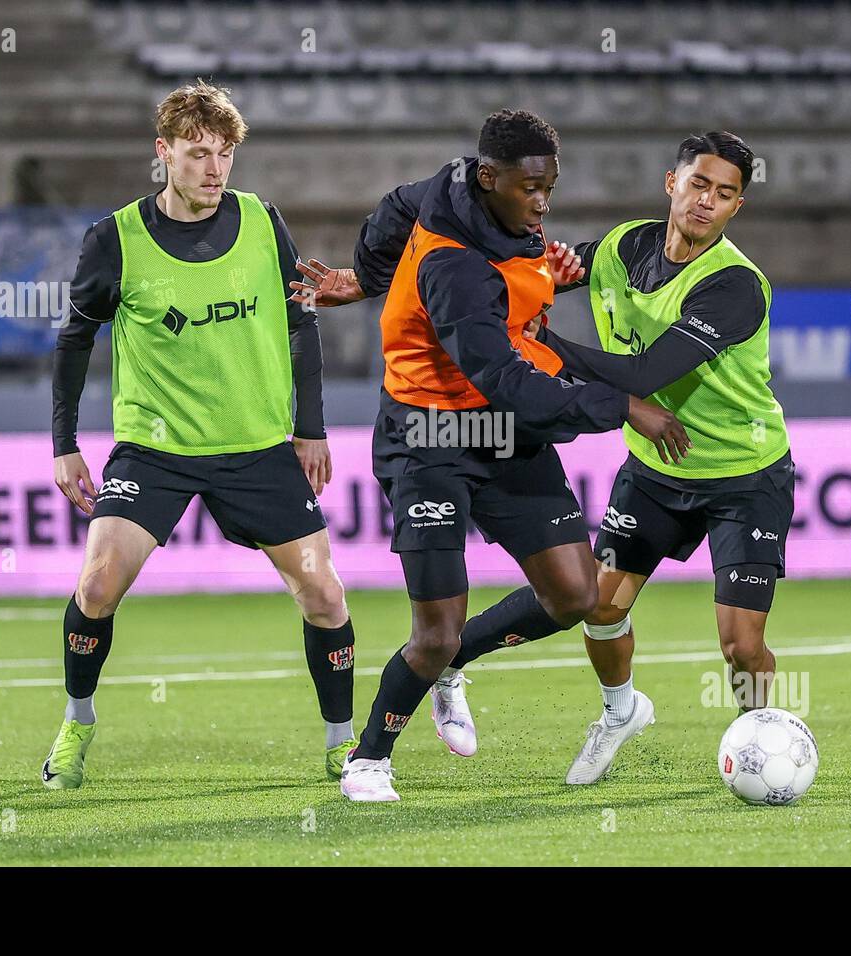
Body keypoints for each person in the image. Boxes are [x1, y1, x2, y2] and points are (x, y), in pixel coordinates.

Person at [291, 109, 686, 802]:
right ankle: (369, 759)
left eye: (549, 186)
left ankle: (451, 667)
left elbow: (392, 210)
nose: (543, 203)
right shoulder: (454, 266)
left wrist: (368, 275)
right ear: (488, 178)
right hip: (432, 439)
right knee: (436, 629)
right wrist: (621, 405)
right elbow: (507, 384)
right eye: (530, 188)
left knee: (575, 594)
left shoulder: (453, 195)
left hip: (502, 436)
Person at [41, 81, 358, 790]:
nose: (214, 169)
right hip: (155, 451)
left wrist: (310, 428)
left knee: (325, 597)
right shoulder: (113, 240)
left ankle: (343, 744)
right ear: (164, 154)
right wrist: (65, 442)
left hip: (256, 445)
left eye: (224, 155)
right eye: (197, 153)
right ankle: (77, 722)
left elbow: (301, 319)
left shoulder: (261, 221)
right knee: (96, 585)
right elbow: (74, 341)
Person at [522, 131, 795, 784]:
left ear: (736, 210)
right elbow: (549, 266)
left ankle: (758, 740)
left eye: (725, 194)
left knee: (741, 645)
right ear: (672, 183)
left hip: (743, 477)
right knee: (600, 607)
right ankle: (620, 712)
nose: (708, 200)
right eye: (699, 183)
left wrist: (544, 344)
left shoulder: (734, 285)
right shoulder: (625, 246)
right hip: (654, 470)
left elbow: (648, 374)